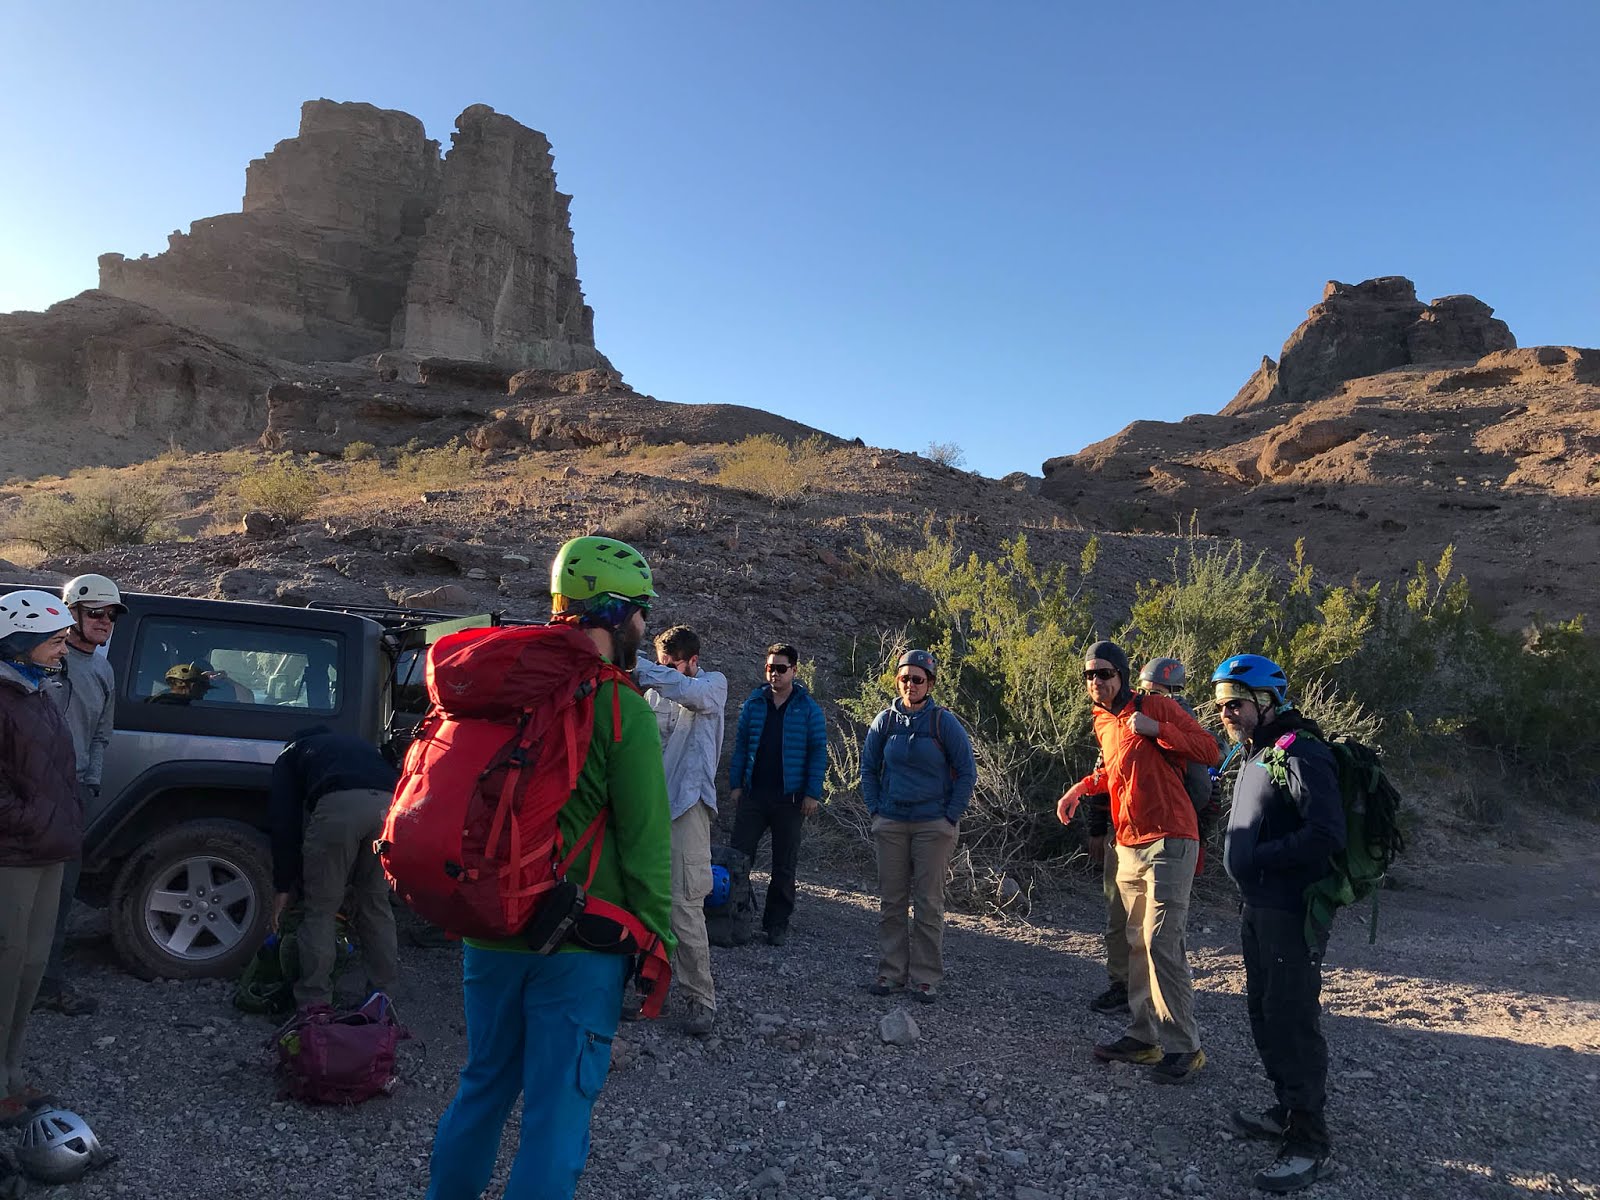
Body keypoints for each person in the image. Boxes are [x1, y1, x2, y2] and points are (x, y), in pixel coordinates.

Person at [427, 535, 674, 1200]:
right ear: (614, 612)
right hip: (581, 941)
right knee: (555, 1118)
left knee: (481, 1089)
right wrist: (658, 945)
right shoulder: (621, 708)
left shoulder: (503, 690)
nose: (645, 627)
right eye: (641, 612)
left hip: (489, 920)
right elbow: (649, 844)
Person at [1057, 640, 1219, 1083]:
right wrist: (1080, 789)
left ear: (1122, 675)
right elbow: (1115, 771)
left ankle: (1186, 1047)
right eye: (1089, 675)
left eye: (1105, 673)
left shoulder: (1156, 707)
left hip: (1170, 839)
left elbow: (1210, 749)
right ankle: (1144, 1038)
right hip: (1128, 845)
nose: (1097, 682)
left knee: (1163, 942)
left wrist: (1155, 728)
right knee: (1135, 945)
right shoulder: (1102, 721)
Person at [1212, 654, 1345, 1193]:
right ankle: (1286, 1110)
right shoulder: (1255, 753)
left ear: (1267, 701)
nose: (1228, 714)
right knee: (1264, 1013)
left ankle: (1309, 1142)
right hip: (1258, 907)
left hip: (1291, 909)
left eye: (1236, 704)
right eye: (1221, 706)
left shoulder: (1301, 752)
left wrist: (1263, 857)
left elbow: (1326, 834)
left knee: (1292, 1018)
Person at [0, 591, 81, 1127]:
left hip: (48, 850)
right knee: (4, 969)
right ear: (22, 643)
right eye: (54, 641)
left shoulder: (36, 693)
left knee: (29, 969)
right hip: (12, 853)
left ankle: (9, 1075)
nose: (63, 650)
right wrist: (31, 821)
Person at [860, 650, 976, 1002]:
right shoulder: (885, 720)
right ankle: (891, 973)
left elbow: (967, 772)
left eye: (918, 679)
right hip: (892, 821)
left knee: (928, 903)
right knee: (891, 902)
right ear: (896, 680)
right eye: (904, 678)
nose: (910, 685)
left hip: (932, 825)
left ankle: (925, 978)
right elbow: (868, 769)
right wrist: (875, 811)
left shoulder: (944, 722)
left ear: (930, 683)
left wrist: (949, 817)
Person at [33, 576, 123, 1018]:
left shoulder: (104, 671)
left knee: (59, 894)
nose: (106, 621)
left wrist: (89, 785)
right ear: (71, 614)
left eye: (112, 615)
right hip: (27, 792)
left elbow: (102, 736)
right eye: (96, 613)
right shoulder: (39, 661)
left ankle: (44, 986)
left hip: (71, 795)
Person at [267, 725, 400, 1010]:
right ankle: (382, 999)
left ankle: (314, 1003)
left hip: (339, 807)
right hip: (391, 809)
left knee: (320, 909)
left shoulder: (291, 754)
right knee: (376, 903)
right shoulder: (359, 746)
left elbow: (284, 823)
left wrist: (282, 886)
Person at [636, 625, 727, 1037]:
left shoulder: (713, 685)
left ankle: (700, 998)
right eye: (661, 665)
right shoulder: (654, 691)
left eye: (674, 666)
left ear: (692, 661)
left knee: (686, 904)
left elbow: (689, 693)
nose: (665, 672)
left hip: (689, 807)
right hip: (653, 805)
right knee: (643, 897)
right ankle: (649, 987)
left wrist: (633, 664)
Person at [728, 643, 828, 946]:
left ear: (794, 671)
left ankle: (776, 924)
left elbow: (817, 753)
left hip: (791, 798)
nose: (775, 674)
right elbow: (742, 745)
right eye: (770, 668)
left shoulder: (808, 709)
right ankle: (735, 915)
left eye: (781, 668)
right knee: (739, 857)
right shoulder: (754, 703)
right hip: (754, 794)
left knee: (784, 864)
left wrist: (812, 793)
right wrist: (736, 784)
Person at [146, 662, 211, 704]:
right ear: (180, 683)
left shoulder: (153, 702)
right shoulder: (168, 706)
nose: (205, 691)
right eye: (202, 685)